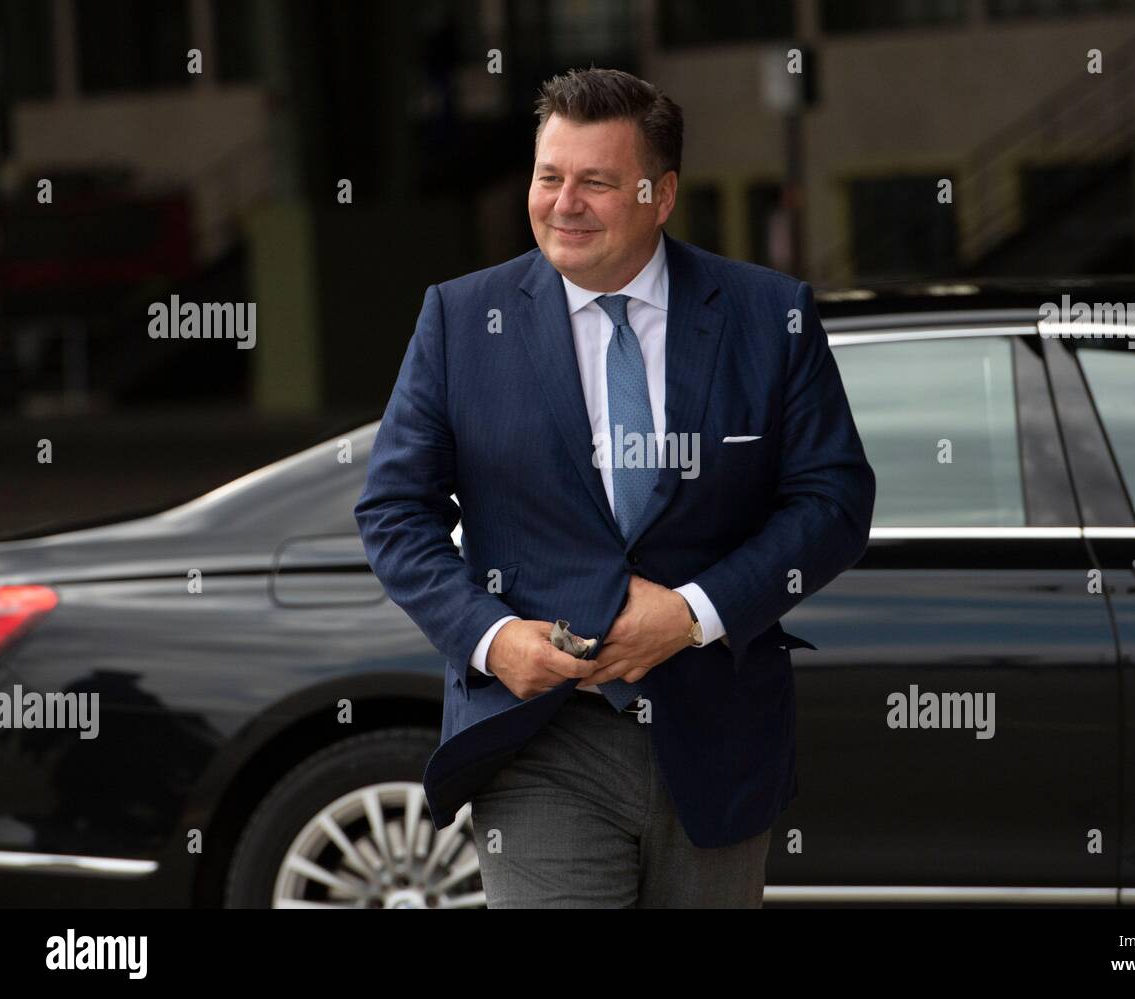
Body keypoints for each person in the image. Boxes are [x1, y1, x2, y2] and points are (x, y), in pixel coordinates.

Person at [354, 67, 875, 907]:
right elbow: (393, 510)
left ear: (660, 194)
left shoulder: (768, 316)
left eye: (595, 182)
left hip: (717, 733)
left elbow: (834, 502)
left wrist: (694, 612)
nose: (564, 203)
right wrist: (490, 639)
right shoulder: (460, 321)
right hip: (541, 737)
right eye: (548, 176)